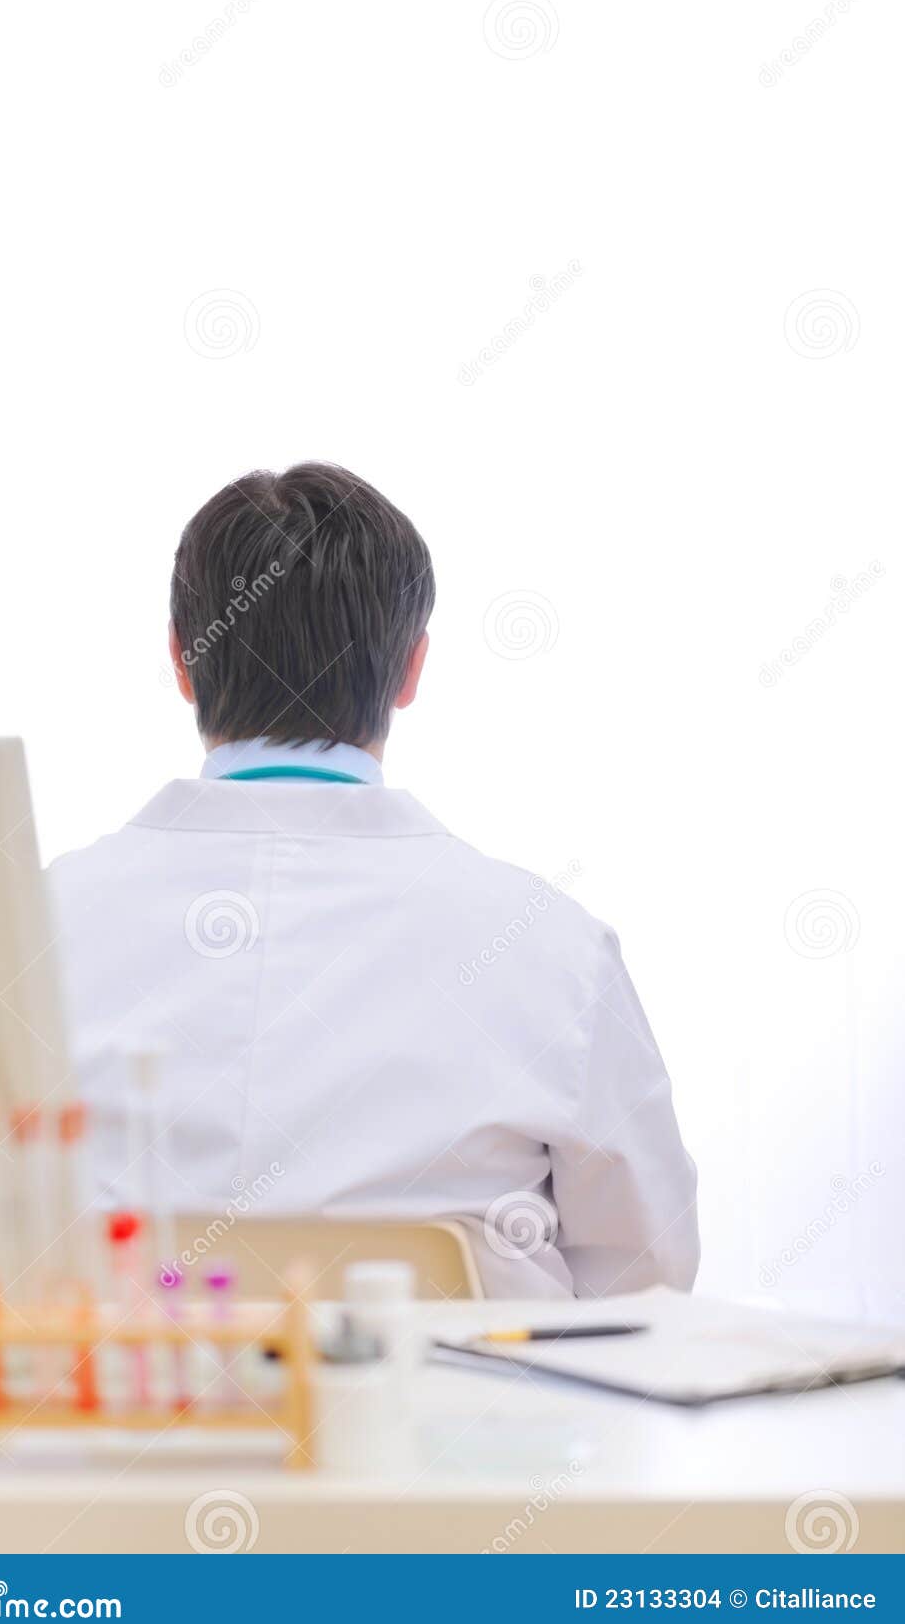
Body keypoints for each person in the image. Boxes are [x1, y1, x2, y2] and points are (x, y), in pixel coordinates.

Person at [48, 462, 698, 1295]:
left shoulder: (17, 934)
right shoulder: (552, 946)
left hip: (108, 1419)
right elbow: (647, 1282)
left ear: (179, 658)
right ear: (411, 670)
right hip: (461, 1420)